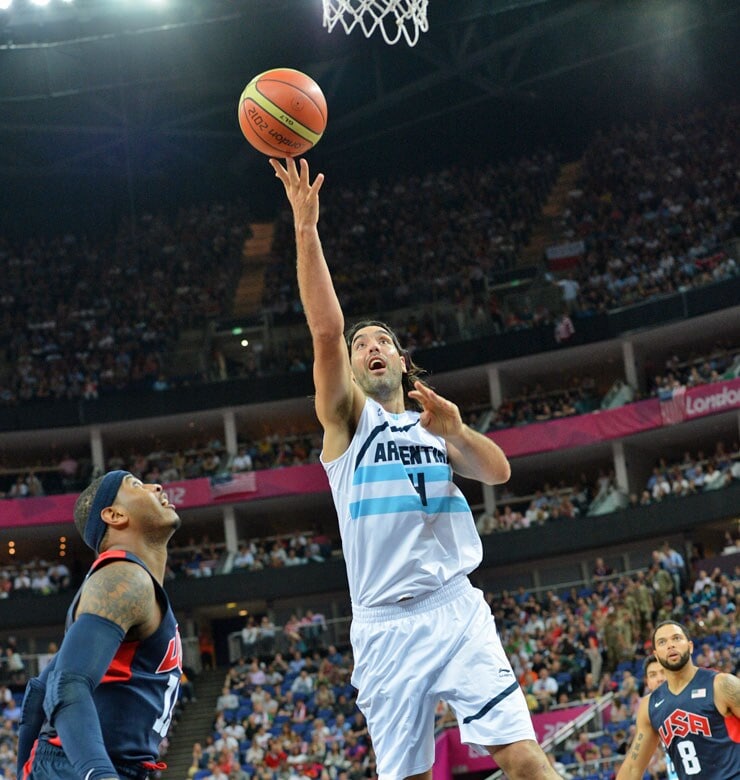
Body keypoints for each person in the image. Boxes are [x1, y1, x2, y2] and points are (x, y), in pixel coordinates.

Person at [270, 155, 558, 779]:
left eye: (382, 343)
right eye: (361, 346)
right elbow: (325, 330)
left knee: (524, 757)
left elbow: (500, 472)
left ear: (403, 363)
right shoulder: (348, 425)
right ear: (350, 371)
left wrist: (457, 432)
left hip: (456, 609)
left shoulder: (435, 424)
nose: (370, 347)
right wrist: (304, 228)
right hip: (383, 627)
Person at [16, 470, 182, 780]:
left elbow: (39, 690)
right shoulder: (124, 577)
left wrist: (23, 772)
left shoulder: (128, 584)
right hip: (81, 766)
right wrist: (100, 773)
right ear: (114, 515)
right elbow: (66, 684)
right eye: (136, 484)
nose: (155, 485)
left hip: (87, 766)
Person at [616, 621, 740, 779]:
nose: (670, 645)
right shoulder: (650, 706)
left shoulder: (722, 685)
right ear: (656, 655)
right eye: (662, 642)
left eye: (676, 638)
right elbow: (633, 768)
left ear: (690, 646)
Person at [642, 653, 678, 780]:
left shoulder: (693, 700)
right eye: (653, 675)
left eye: (663, 672)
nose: (660, 678)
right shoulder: (651, 713)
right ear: (647, 682)